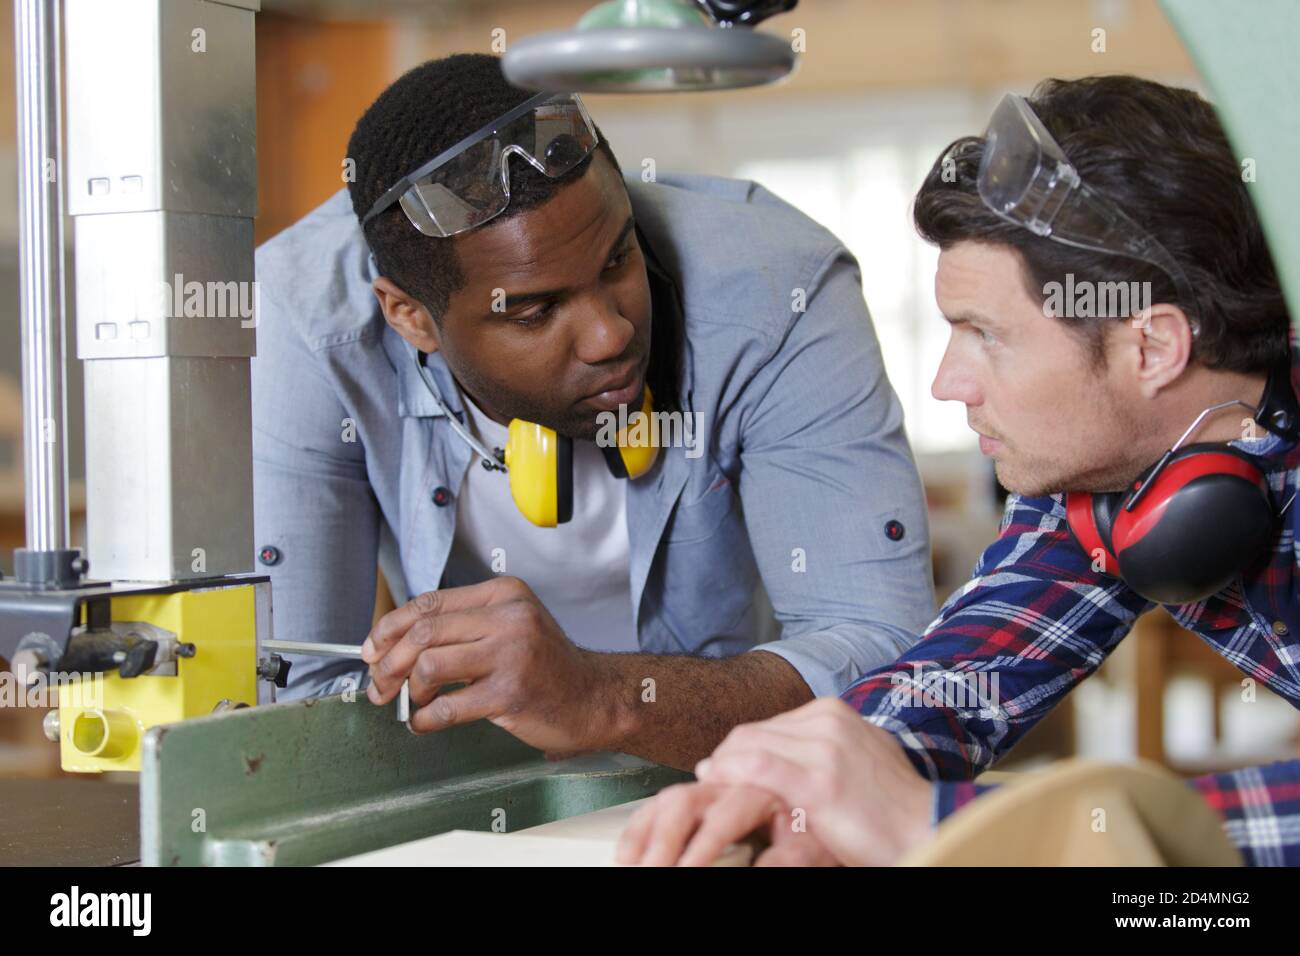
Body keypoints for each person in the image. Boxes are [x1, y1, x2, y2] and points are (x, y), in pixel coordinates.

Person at [618, 74, 1300, 862]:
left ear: (1150, 347)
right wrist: (798, 784)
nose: (948, 382)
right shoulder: (1101, 478)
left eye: (986, 335)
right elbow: (969, 668)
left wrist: (959, 833)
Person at [251, 54, 936, 770]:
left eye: (617, 261)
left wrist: (601, 698)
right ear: (410, 318)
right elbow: (295, 693)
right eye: (536, 311)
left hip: (728, 773)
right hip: (473, 788)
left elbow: (887, 659)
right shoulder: (309, 327)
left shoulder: (775, 289)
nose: (610, 334)